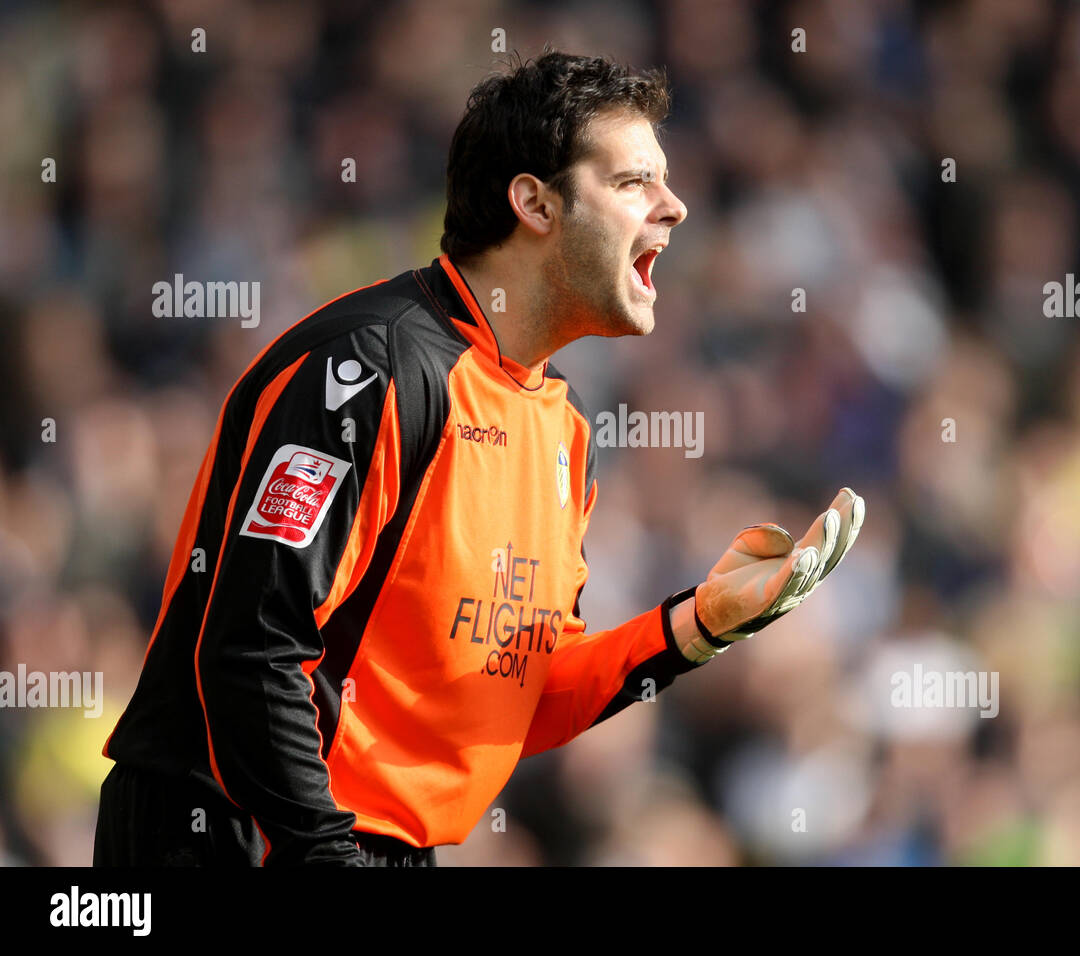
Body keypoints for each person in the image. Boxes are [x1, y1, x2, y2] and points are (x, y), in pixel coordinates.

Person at [93, 50, 864, 867]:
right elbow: (251, 651)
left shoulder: (560, 422)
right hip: (233, 833)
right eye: (635, 182)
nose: (674, 207)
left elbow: (521, 698)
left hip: (364, 845)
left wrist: (699, 624)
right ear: (533, 202)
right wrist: (325, 855)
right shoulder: (366, 369)